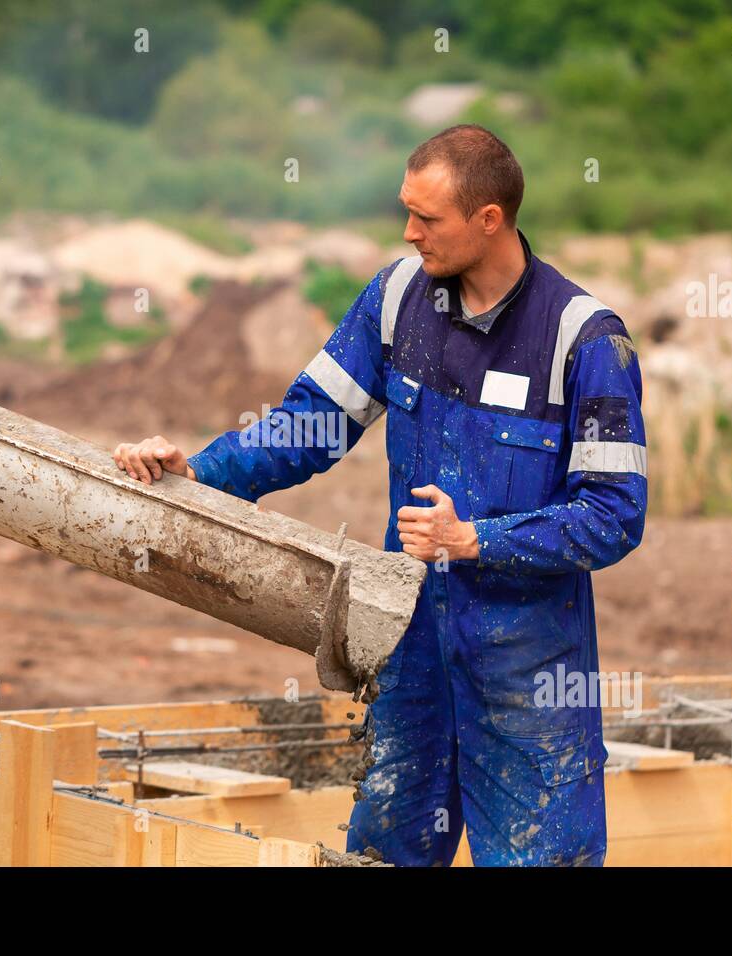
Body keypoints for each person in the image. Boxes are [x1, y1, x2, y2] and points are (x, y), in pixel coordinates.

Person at [113, 124, 647, 866]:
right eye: (407, 210)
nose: (409, 231)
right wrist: (200, 471)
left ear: (489, 219)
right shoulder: (399, 298)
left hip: (528, 677)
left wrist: (476, 541)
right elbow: (311, 425)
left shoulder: (584, 340)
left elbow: (615, 515)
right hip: (412, 648)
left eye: (428, 218)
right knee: (384, 856)